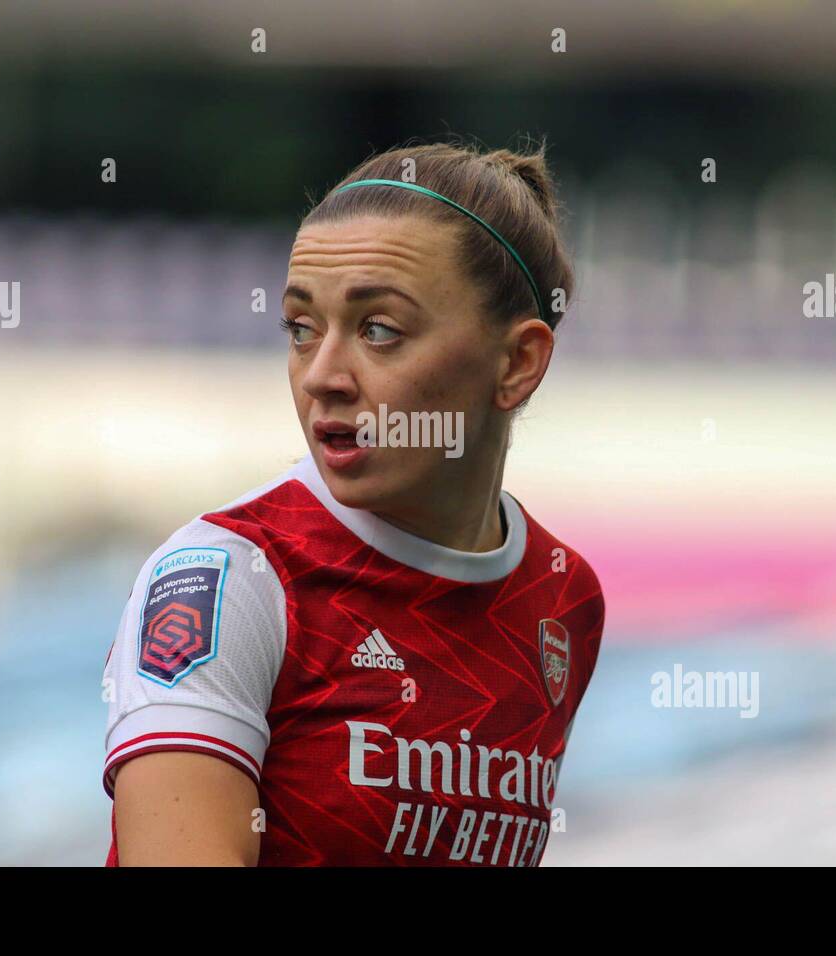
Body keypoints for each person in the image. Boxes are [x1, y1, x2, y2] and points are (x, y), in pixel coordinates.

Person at [102, 138, 604, 866]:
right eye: (302, 330)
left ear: (518, 362)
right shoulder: (228, 580)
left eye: (379, 330)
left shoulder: (565, 595)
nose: (322, 377)